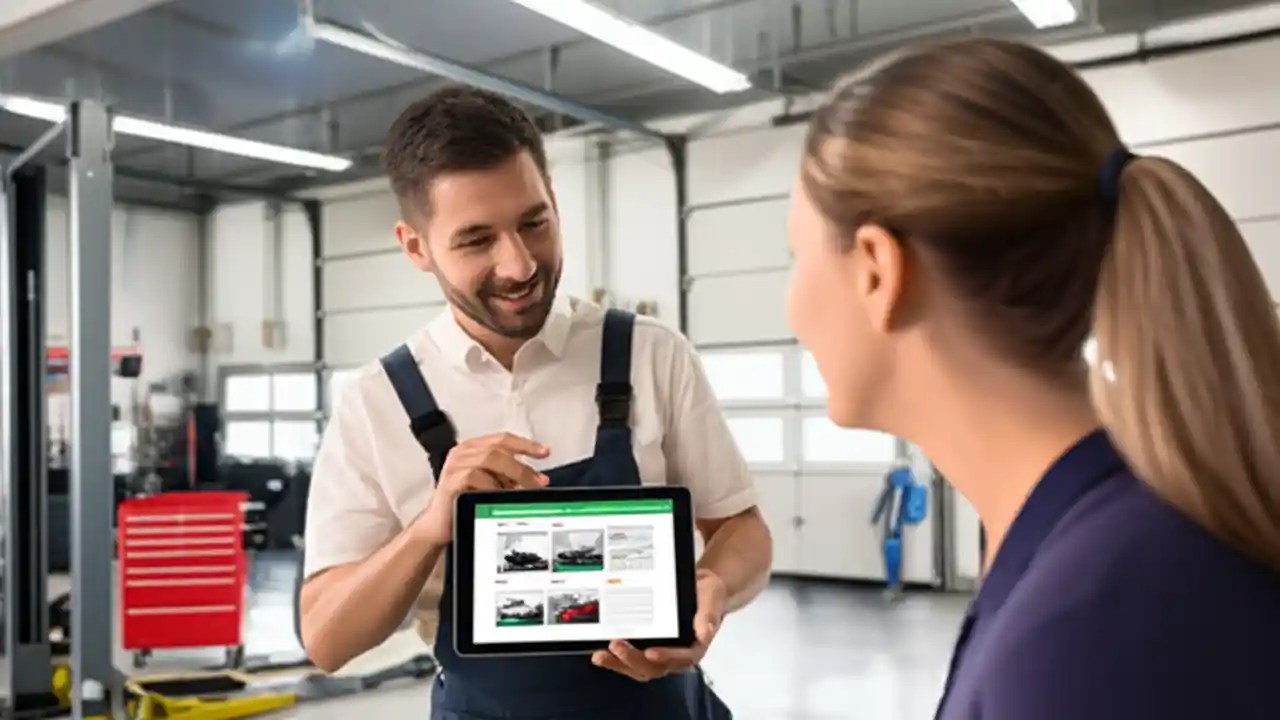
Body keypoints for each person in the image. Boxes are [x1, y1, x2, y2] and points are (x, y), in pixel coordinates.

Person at [786, 38, 1280, 720]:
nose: (791, 304)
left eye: (796, 255)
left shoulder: (1091, 634)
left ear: (876, 268)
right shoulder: (1103, 545)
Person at [297, 85, 772, 720]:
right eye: (475, 240)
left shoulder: (650, 355)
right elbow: (327, 640)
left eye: (534, 222)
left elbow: (741, 529)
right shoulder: (374, 403)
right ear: (416, 247)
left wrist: (710, 588)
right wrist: (430, 529)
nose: (519, 264)